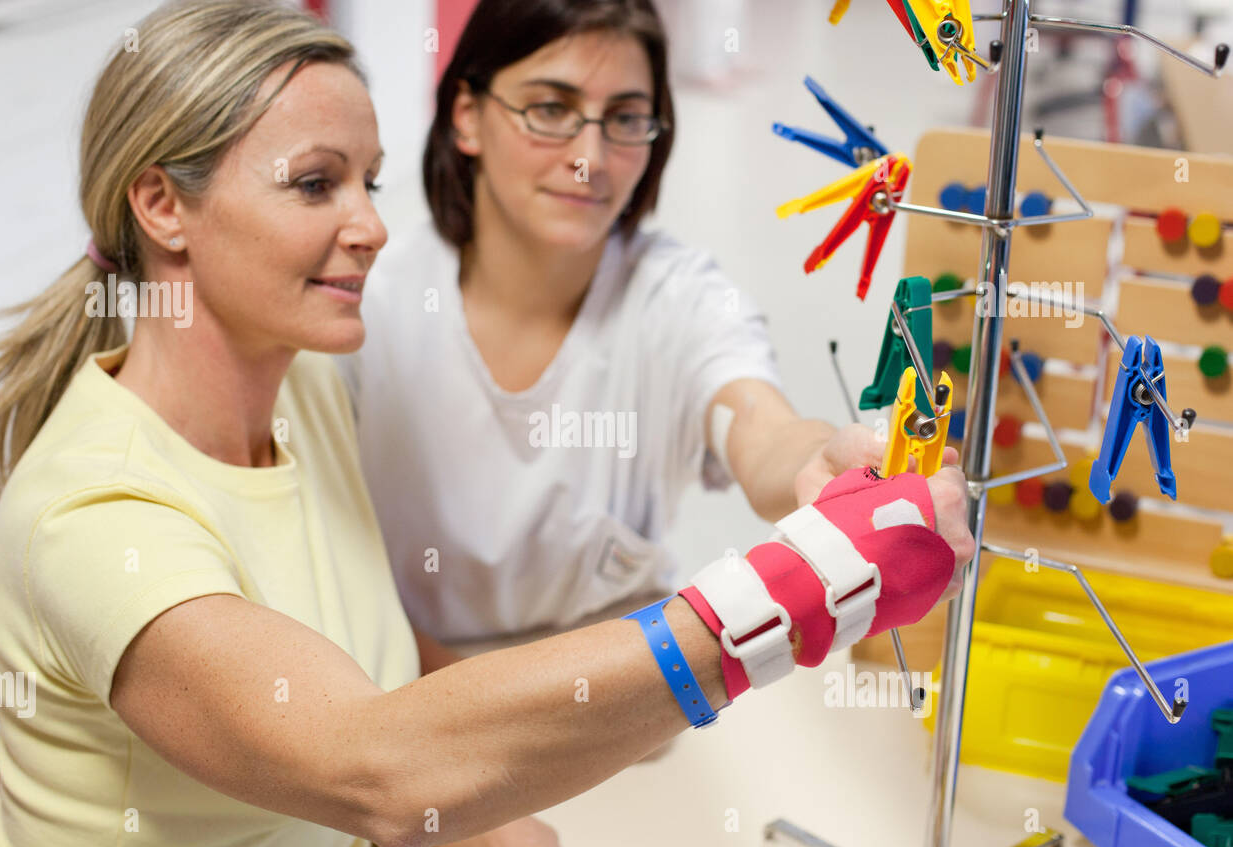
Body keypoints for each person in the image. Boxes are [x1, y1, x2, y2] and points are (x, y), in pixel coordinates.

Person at [0, 0, 973, 847]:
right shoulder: (96, 516)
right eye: (316, 183)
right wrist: (785, 595)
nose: (373, 225)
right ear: (162, 204)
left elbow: (379, 664)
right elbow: (375, 769)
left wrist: (513, 835)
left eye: (369, 181)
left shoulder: (297, 385)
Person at [336, 0, 950, 657]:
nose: (590, 159)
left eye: (626, 118)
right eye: (549, 109)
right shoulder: (372, 299)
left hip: (609, 684)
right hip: (410, 675)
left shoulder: (679, 299)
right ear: (466, 114)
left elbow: (758, 426)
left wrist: (821, 463)